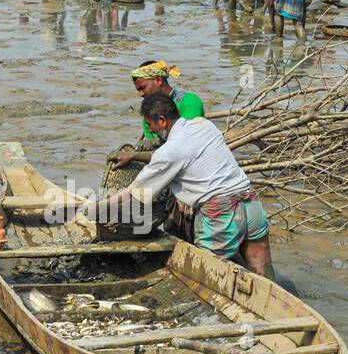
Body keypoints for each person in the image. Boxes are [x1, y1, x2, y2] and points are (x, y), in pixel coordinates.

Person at [88, 92, 273, 277]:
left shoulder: (169, 151)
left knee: (209, 275)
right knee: (262, 269)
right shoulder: (204, 125)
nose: (150, 130)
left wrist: (100, 207)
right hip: (250, 202)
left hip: (221, 213)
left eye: (150, 125)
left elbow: (135, 193)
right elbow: (186, 156)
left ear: (162, 120)